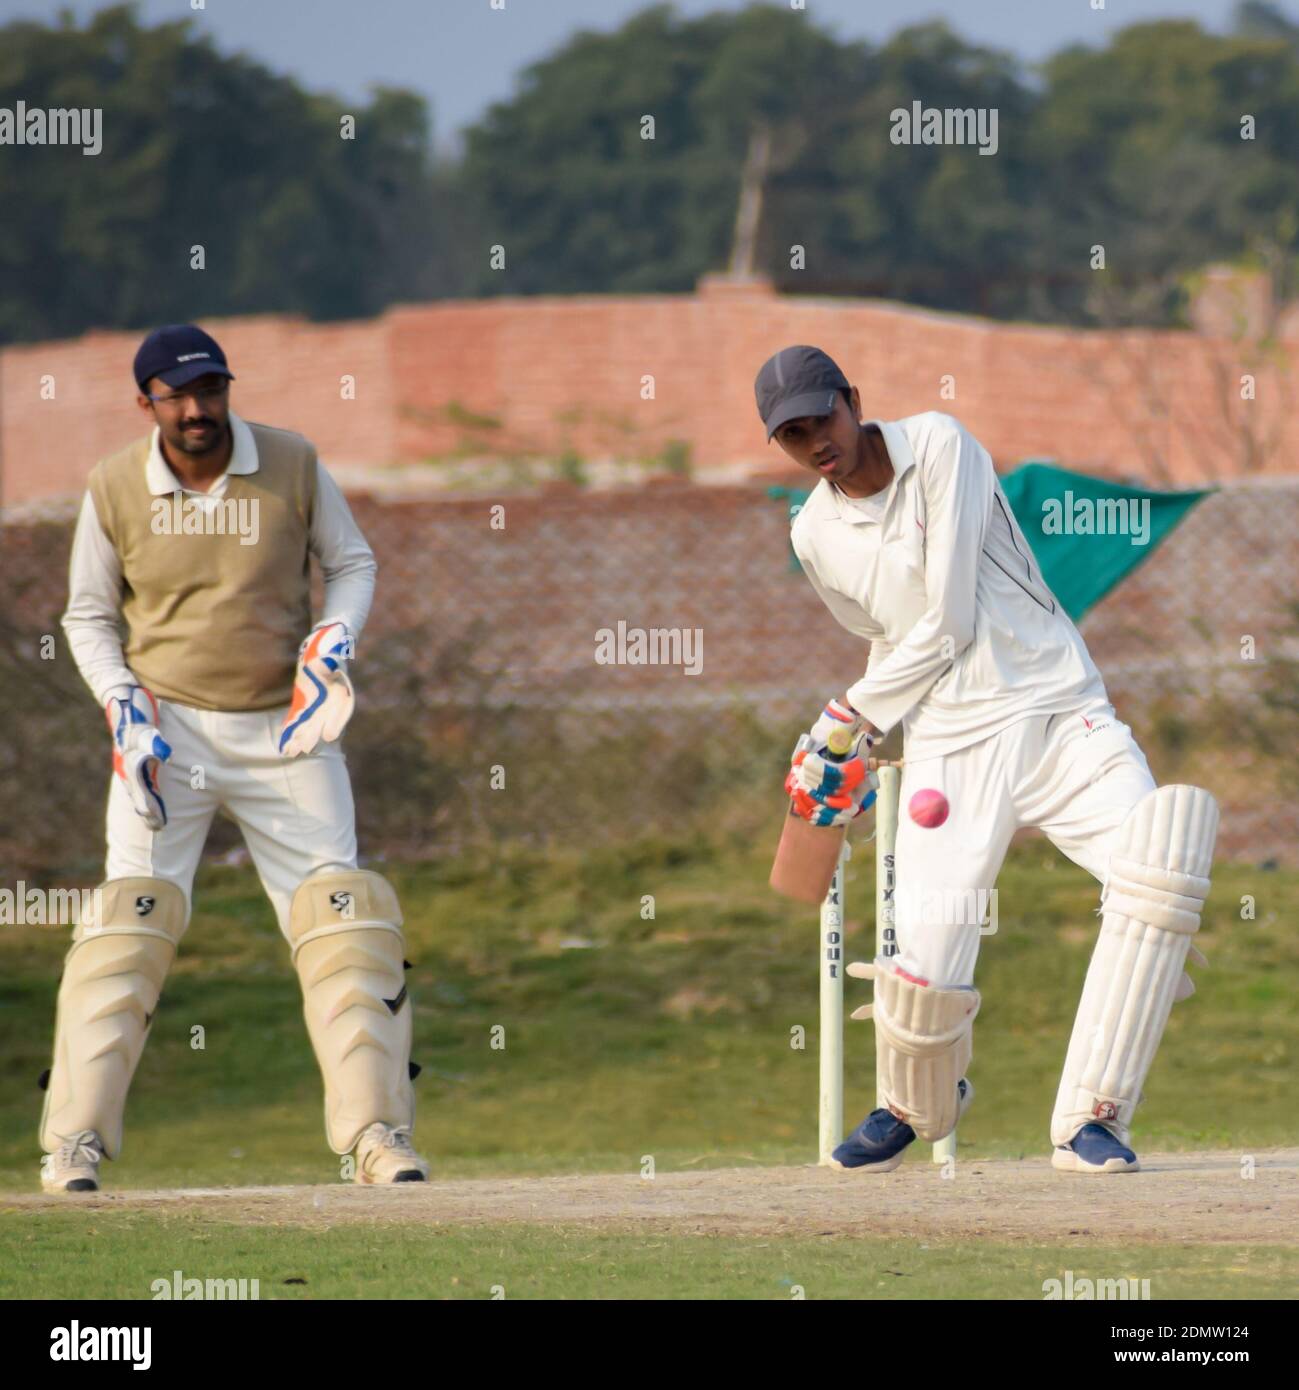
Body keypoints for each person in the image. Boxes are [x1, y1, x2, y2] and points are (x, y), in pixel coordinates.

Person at [755, 345, 1218, 1174]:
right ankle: (912, 1103)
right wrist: (847, 743)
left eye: (820, 417)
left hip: (1057, 710)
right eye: (791, 434)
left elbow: (948, 619)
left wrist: (851, 715)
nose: (814, 441)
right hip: (948, 748)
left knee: (1160, 872)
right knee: (920, 978)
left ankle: (1092, 1118)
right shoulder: (813, 534)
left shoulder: (940, 444)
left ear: (851, 401)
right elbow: (883, 639)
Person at [41, 323, 428, 1192]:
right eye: (175, 396)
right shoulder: (112, 486)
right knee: (128, 923)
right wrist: (123, 708)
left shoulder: (291, 463)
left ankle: (374, 1138)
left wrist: (330, 644)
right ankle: (73, 1146)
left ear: (226, 389)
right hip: (163, 737)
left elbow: (353, 562)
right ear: (146, 404)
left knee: (346, 919)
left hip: (285, 732)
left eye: (208, 390)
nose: (195, 409)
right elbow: (88, 617)